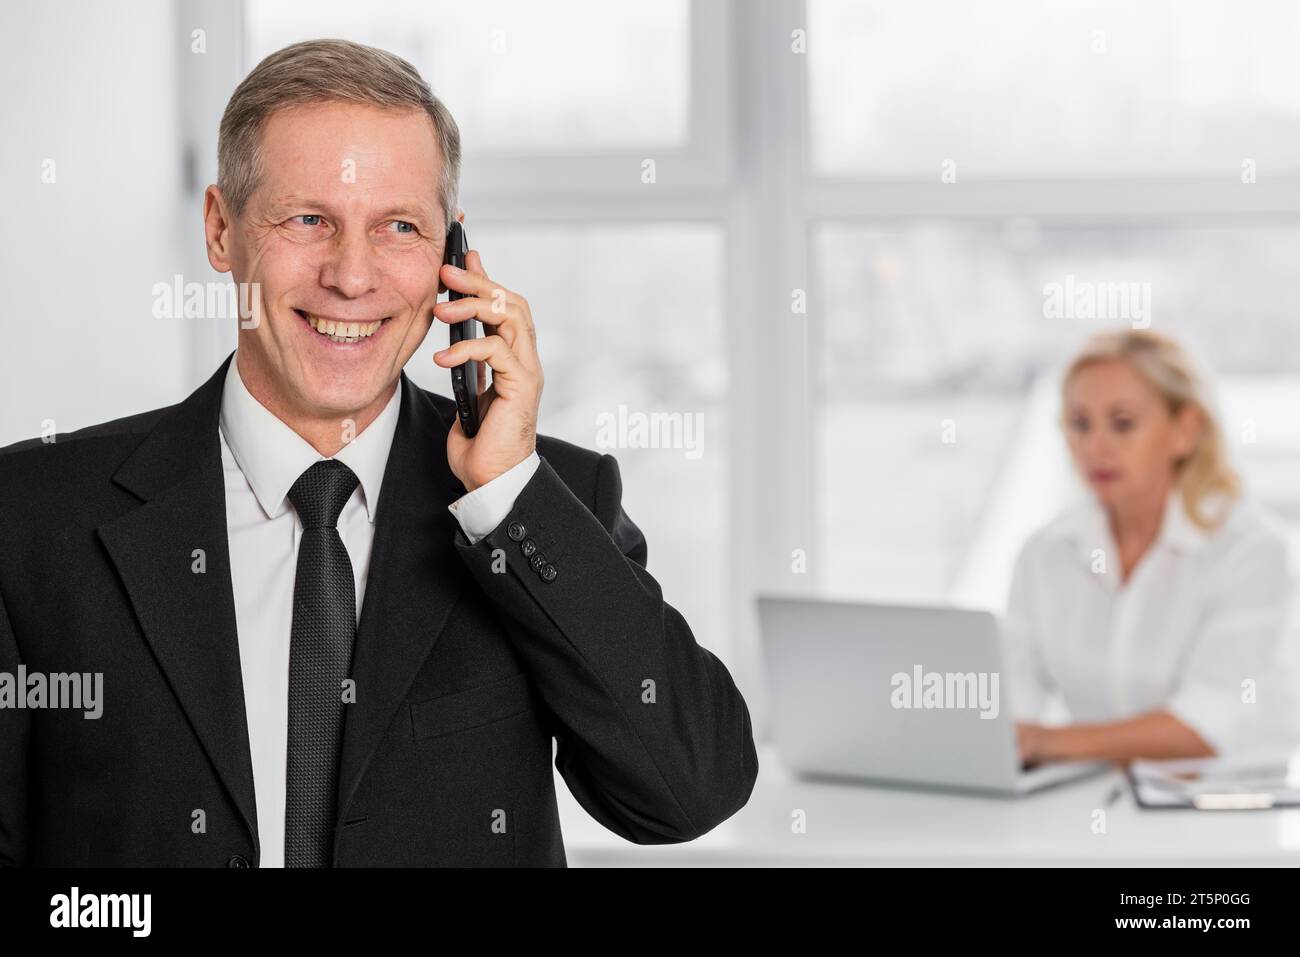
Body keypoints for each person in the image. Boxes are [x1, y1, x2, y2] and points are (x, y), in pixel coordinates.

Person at [0, 39, 757, 867]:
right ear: (222, 230)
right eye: (308, 220)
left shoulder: (545, 503)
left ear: (452, 259)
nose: (352, 277)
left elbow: (693, 790)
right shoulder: (33, 517)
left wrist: (506, 497)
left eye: (399, 227)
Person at [1004, 328, 1296, 765]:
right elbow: (1012, 701)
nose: (1094, 447)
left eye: (1122, 424)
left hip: (1225, 814)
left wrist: (1045, 743)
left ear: (1185, 430)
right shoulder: (1046, 554)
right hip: (1091, 806)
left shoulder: (1253, 552)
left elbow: (1205, 723)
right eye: (1079, 424)